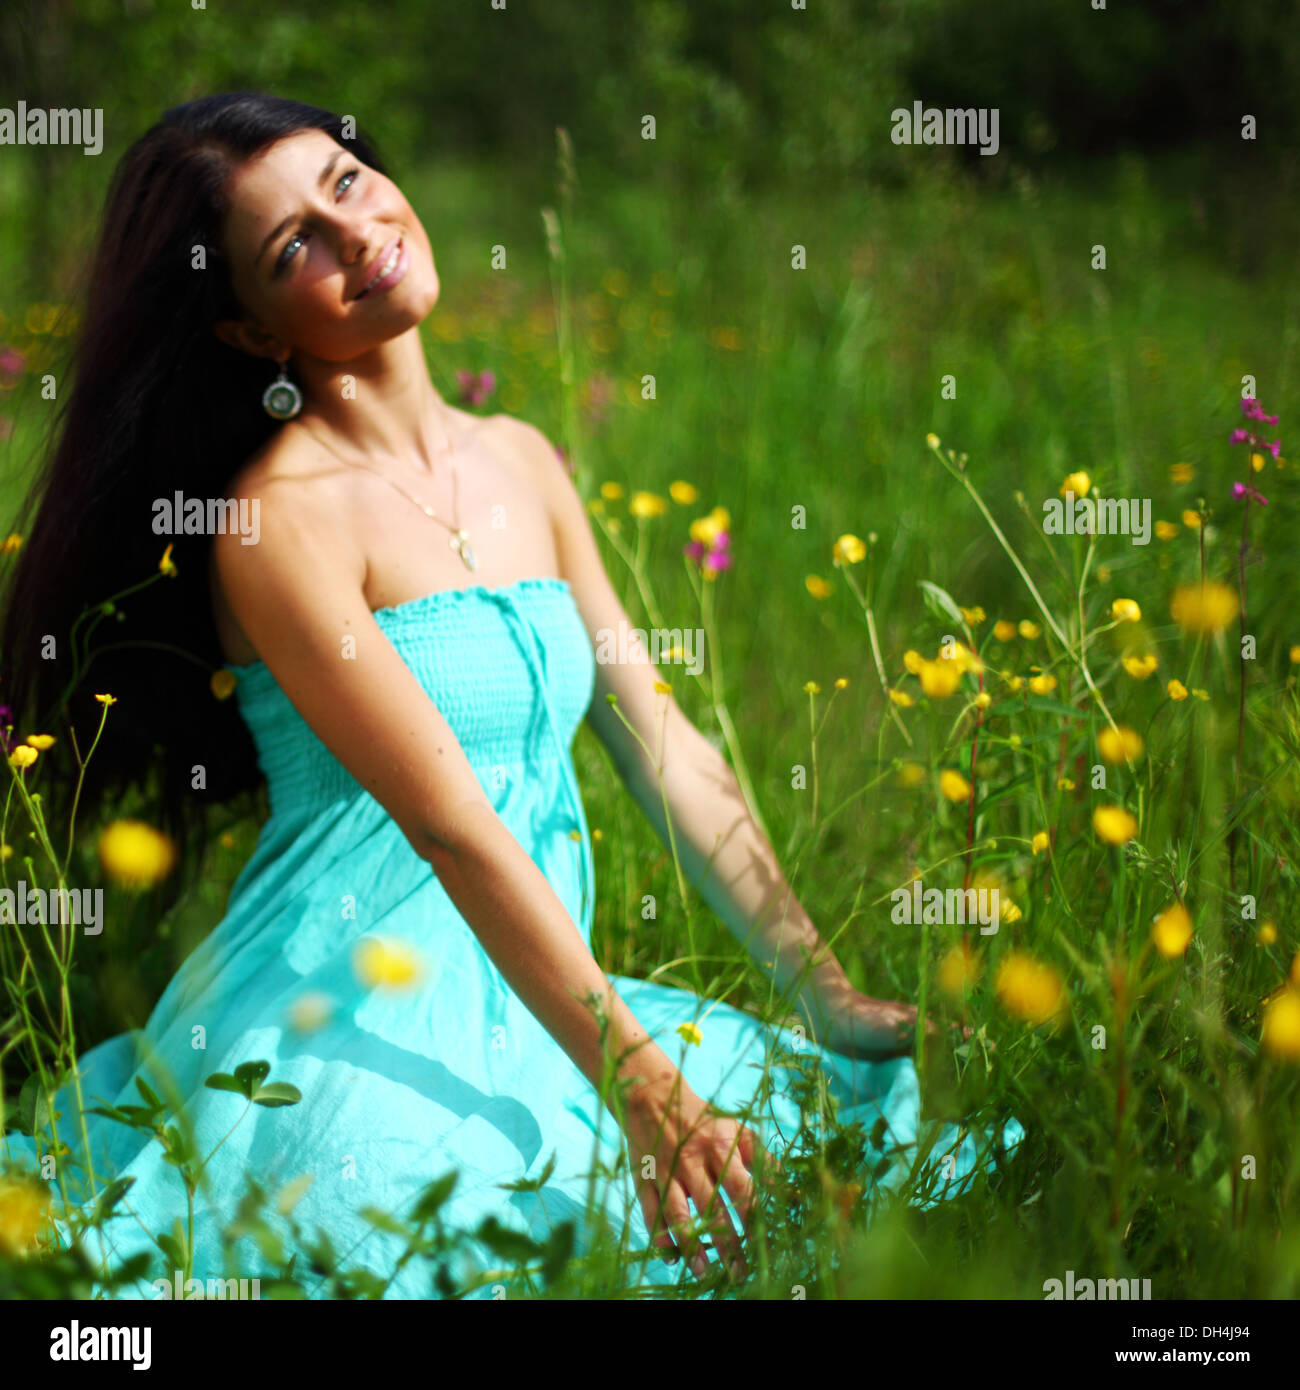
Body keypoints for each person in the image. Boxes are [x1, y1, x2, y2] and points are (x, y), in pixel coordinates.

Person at [0, 93, 1021, 1299]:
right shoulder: (279, 523)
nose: (355, 233)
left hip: (539, 992)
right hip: (351, 1007)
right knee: (458, 1247)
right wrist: (641, 1081)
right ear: (250, 334)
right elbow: (449, 824)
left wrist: (824, 986)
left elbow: (664, 747)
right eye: (292, 250)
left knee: (824, 1148)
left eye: (343, 181)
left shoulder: (522, 459)